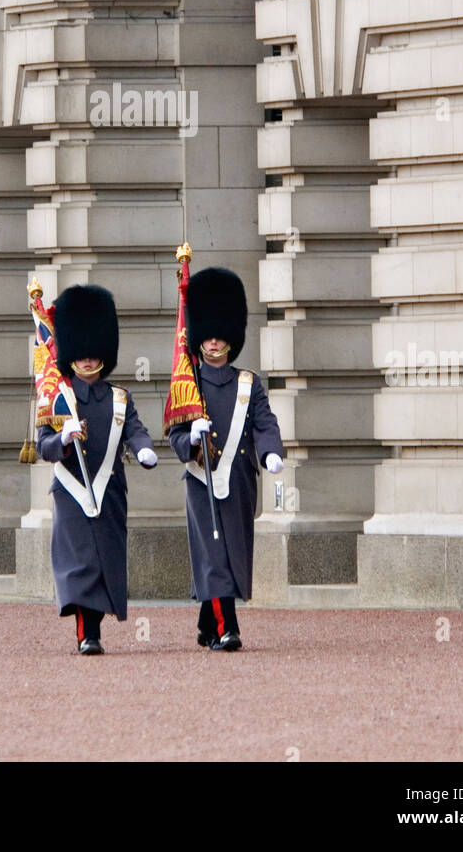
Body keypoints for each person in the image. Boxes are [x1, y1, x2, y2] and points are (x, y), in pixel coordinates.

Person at [37, 284, 157, 654]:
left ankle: (94, 625)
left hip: (109, 491)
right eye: (81, 354)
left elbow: (134, 429)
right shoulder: (58, 397)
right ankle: (87, 633)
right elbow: (43, 445)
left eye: (94, 354)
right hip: (72, 492)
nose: (88, 360)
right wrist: (63, 439)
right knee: (81, 563)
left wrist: (144, 450)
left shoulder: (119, 397)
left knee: (105, 561)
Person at [169, 266, 284, 651]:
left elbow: (265, 423)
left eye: (221, 335)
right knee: (215, 552)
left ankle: (207, 620)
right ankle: (227, 628)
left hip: (238, 482)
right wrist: (192, 440)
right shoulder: (188, 385)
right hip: (202, 481)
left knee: (230, 551)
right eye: (209, 335)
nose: (215, 342)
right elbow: (174, 434)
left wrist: (270, 455)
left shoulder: (248, 383)